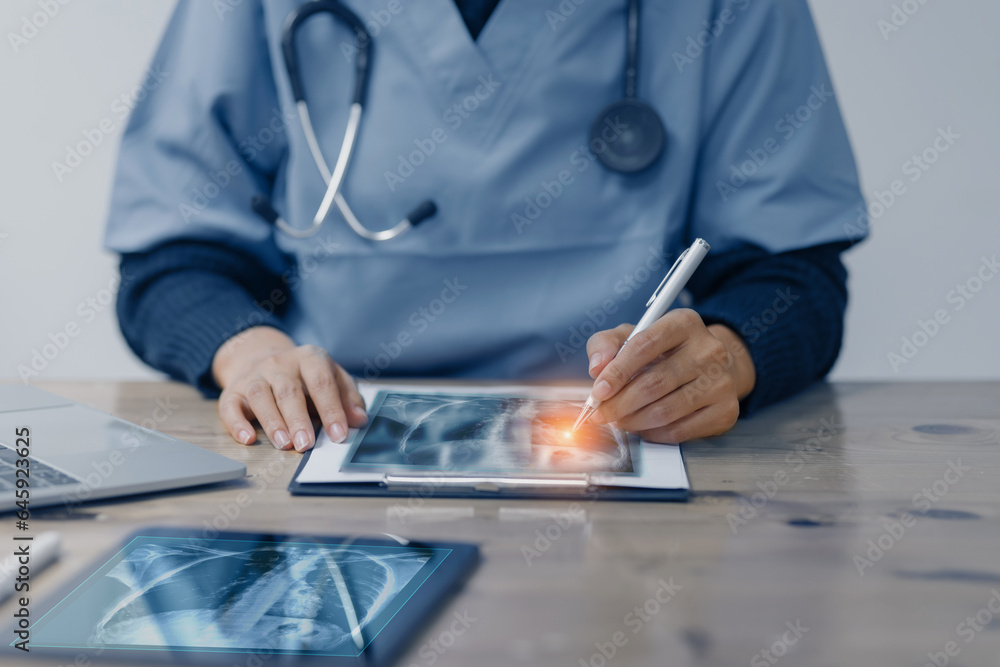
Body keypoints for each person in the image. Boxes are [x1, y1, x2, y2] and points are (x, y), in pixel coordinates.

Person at [105, 0, 865, 453]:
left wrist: (727, 357)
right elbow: (172, 257)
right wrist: (251, 355)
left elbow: (795, 271)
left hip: (630, 443)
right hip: (321, 439)